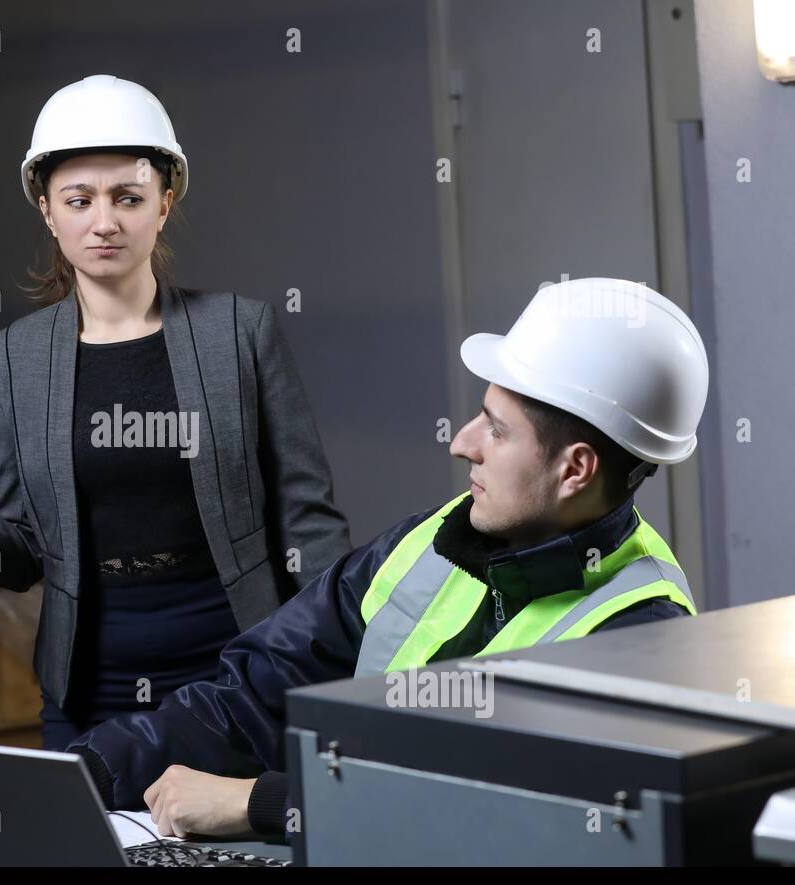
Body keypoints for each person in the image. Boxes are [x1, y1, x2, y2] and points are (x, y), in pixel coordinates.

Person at [0, 75, 350, 749]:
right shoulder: (10, 360)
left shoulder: (240, 332)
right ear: (46, 209)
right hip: (94, 685)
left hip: (241, 668)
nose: (105, 221)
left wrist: (334, 664)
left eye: (128, 196)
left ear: (164, 201)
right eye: (79, 199)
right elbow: (21, 560)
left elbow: (308, 516)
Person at [66, 276, 710, 840]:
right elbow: (252, 695)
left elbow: (498, 817)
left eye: (496, 428)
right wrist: (83, 774)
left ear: (576, 470)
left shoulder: (639, 634)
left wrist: (262, 804)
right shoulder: (425, 544)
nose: (462, 444)